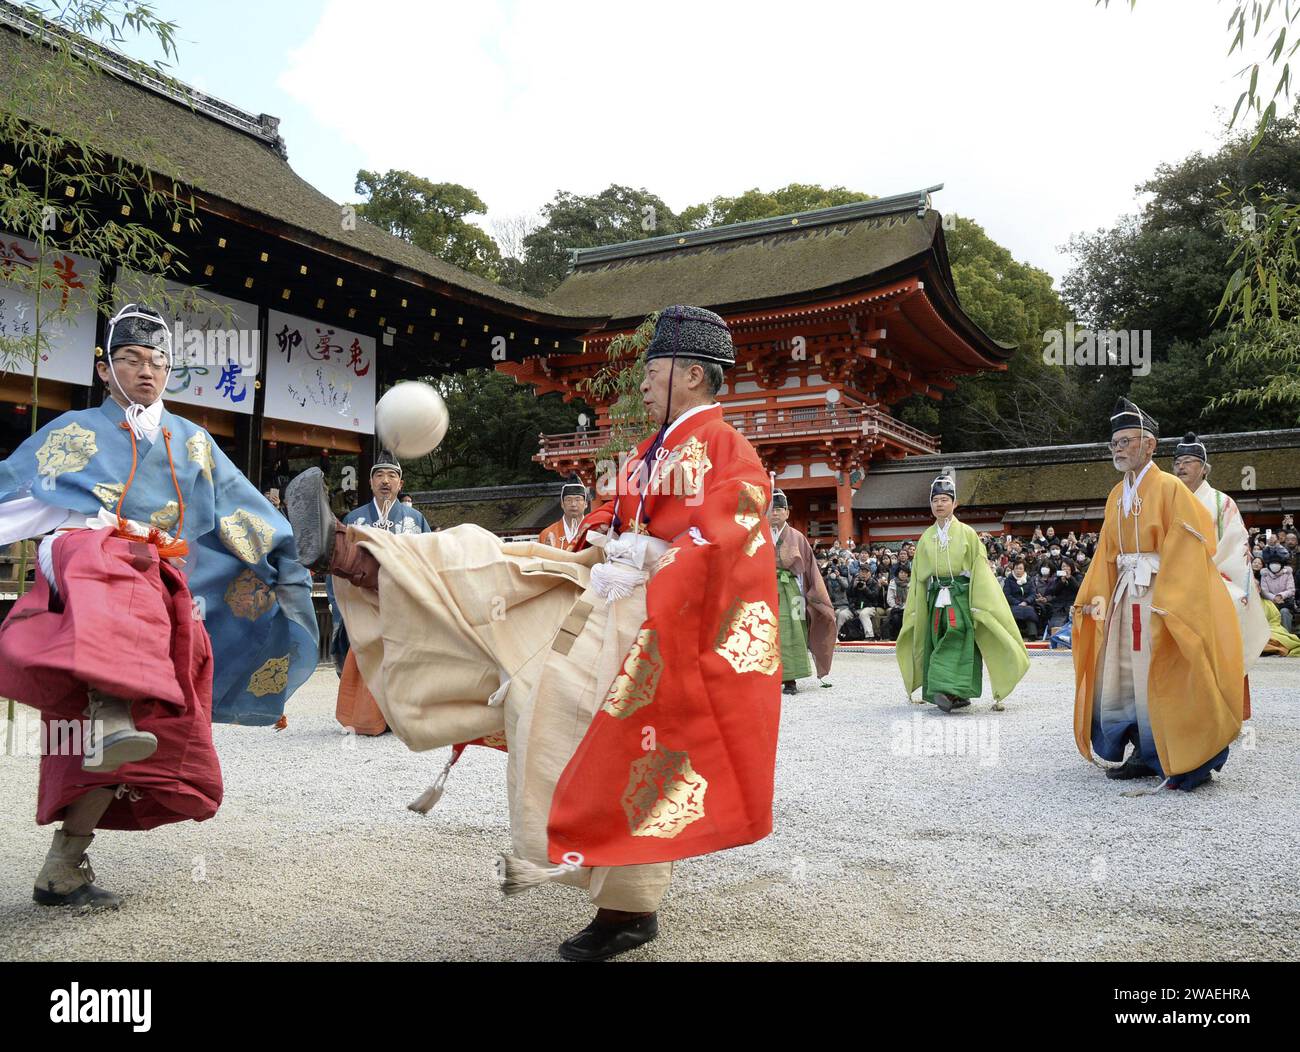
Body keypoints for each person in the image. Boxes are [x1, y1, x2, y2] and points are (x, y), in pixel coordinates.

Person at [285, 304, 781, 961]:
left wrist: (657, 558)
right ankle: (354, 554)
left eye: (653, 369)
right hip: (610, 588)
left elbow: (736, 545)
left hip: (665, 622)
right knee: (495, 566)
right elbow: (613, 504)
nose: (641, 381)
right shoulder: (650, 449)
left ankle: (627, 910)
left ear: (692, 375)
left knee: (562, 702)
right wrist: (608, 532)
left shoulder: (730, 451)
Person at [0, 304, 316, 908]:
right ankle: (108, 699)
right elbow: (18, 498)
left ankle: (65, 861)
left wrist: (289, 552)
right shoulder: (74, 432)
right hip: (85, 563)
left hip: (156, 581)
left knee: (159, 712)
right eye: (131, 359)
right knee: (111, 560)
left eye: (157, 361)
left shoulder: (193, 443)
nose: (146, 371)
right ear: (103, 369)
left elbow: (241, 513)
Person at [1072, 399, 1243, 792]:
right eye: (1113, 442)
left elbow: (1187, 546)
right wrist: (1094, 598)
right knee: (1124, 675)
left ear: (1150, 445)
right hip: (1124, 593)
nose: (1118, 448)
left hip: (1161, 592)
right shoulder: (1117, 493)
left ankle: (1182, 755)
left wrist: (1172, 598)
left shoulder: (1169, 487)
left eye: (1126, 441)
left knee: (1166, 670)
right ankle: (1141, 751)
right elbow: (1105, 553)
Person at [896, 474, 1028, 712]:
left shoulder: (968, 534)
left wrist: (981, 602)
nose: (939, 504)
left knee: (958, 634)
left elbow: (980, 570)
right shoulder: (926, 537)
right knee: (936, 637)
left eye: (945, 499)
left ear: (954, 503)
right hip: (936, 596)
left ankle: (949, 690)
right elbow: (918, 576)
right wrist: (917, 605)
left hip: (960, 595)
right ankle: (950, 691)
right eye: (935, 500)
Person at [329, 451, 433, 737]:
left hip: (403, 602)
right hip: (364, 606)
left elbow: (428, 562)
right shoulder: (355, 518)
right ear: (371, 482)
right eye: (379, 476)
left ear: (401, 484)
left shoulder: (414, 519)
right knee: (367, 661)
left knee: (406, 660)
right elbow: (337, 566)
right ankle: (368, 718)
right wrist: (339, 609)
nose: (385, 481)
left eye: (392, 476)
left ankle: (404, 718)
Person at [1171, 433, 1271, 716]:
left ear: (1204, 468)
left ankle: (1222, 710)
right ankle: (1176, 711)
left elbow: (1235, 549)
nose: (1181, 467)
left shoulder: (1221, 503)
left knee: (1223, 638)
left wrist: (1206, 577)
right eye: (1177, 462)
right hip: (1171, 585)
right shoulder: (1166, 499)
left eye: (1189, 461)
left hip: (1213, 582)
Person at [768, 490, 834, 693]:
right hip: (767, 588)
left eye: (779, 509)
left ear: (787, 513)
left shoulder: (797, 537)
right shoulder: (759, 536)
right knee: (768, 630)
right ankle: (769, 677)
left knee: (795, 631)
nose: (775, 513)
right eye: (772, 510)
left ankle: (791, 679)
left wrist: (813, 595)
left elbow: (810, 568)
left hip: (793, 592)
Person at [538, 481, 590, 551]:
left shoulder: (592, 531)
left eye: (578, 499)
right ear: (562, 504)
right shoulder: (547, 533)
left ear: (586, 504)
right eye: (568, 500)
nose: (573, 504)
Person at [1259, 544, 1296, 631]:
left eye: (1277, 563)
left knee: (1284, 612)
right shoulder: (1265, 574)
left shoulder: (1287, 573)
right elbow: (1264, 591)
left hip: (1285, 601)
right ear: (1268, 565)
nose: (1274, 565)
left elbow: (1291, 589)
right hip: (1270, 602)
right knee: (1267, 612)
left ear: (1281, 565)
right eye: (1272, 563)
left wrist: (1280, 595)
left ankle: (1287, 634)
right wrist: (1274, 598)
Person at [1003, 560, 1038, 640]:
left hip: (1027, 604)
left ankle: (1032, 634)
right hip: (1014, 604)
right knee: (1015, 611)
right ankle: (1014, 634)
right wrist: (1018, 603)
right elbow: (1007, 595)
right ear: (1013, 569)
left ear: (1024, 570)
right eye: (1016, 568)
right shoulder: (1008, 580)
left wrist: (1026, 602)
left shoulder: (1029, 580)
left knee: (1029, 611)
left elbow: (1033, 594)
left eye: (1020, 568)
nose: (1018, 571)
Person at [885, 566, 910, 640]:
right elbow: (890, 598)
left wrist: (906, 606)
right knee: (896, 617)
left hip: (908, 606)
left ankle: (906, 637)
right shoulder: (893, 583)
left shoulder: (911, 583)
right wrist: (896, 606)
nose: (903, 574)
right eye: (901, 572)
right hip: (896, 607)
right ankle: (896, 636)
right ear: (898, 573)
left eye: (905, 573)